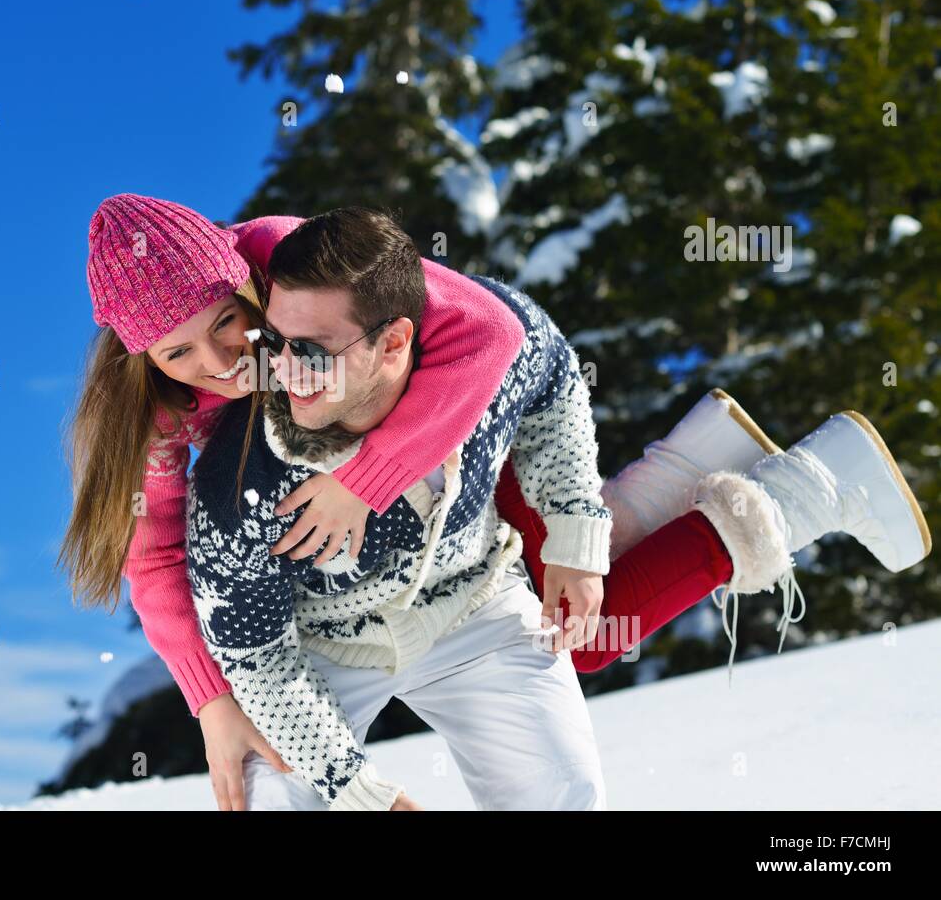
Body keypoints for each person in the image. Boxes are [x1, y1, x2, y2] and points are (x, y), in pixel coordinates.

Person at [64, 194, 932, 810]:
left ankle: (788, 496)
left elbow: (500, 336)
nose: (220, 361)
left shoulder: (308, 269)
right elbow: (160, 559)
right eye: (179, 353)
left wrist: (561, 526)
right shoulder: (166, 421)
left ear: (245, 278)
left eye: (229, 323)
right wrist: (214, 700)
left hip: (447, 448)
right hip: (347, 560)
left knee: (573, 620)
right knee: (580, 620)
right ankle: (690, 468)